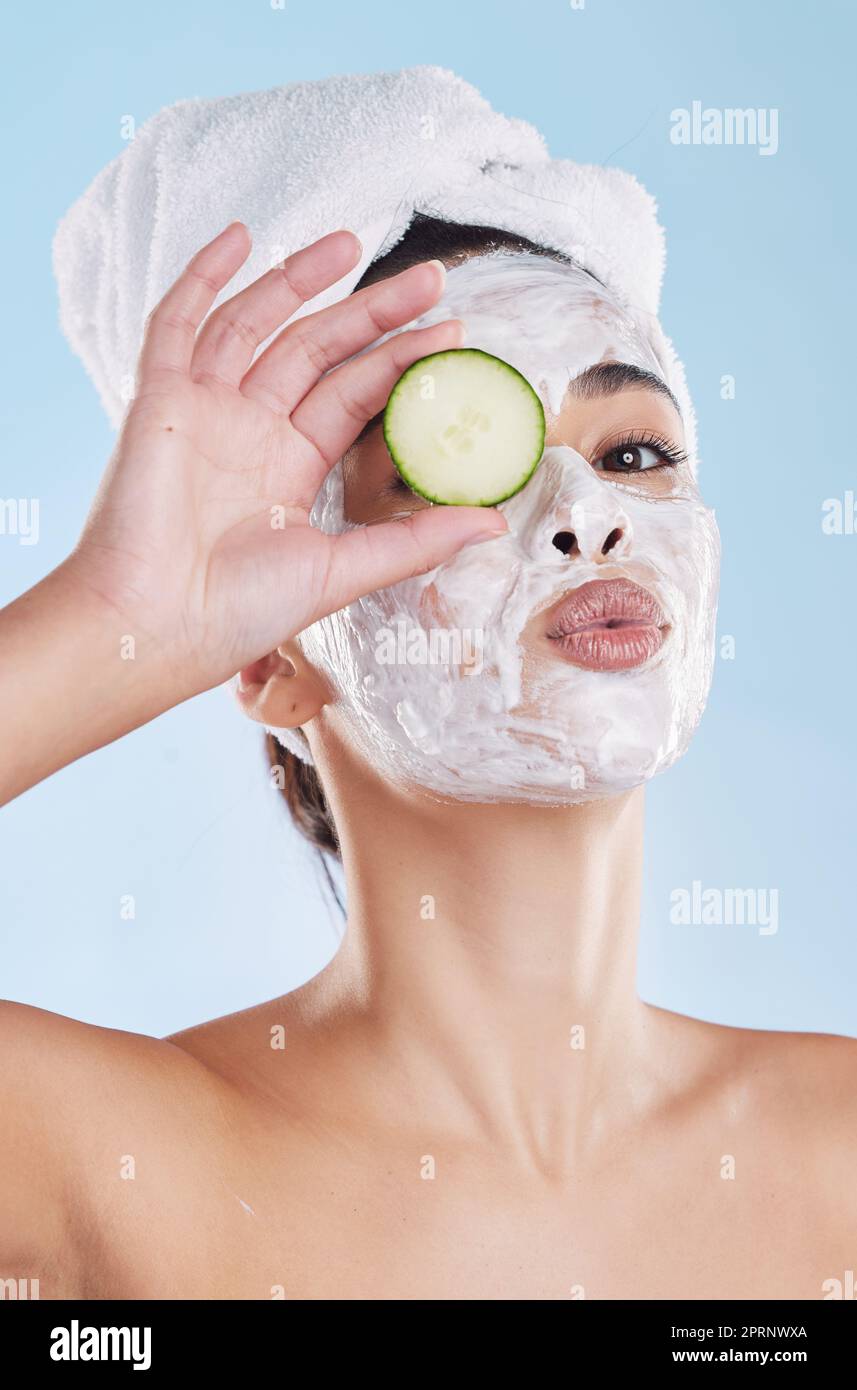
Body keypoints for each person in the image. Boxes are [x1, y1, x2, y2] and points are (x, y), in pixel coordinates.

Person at [1, 214, 854, 1301]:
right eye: (463, 469)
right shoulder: (102, 1161)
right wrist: (118, 617)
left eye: (632, 455)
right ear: (272, 658)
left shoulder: (841, 1155)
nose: (584, 518)